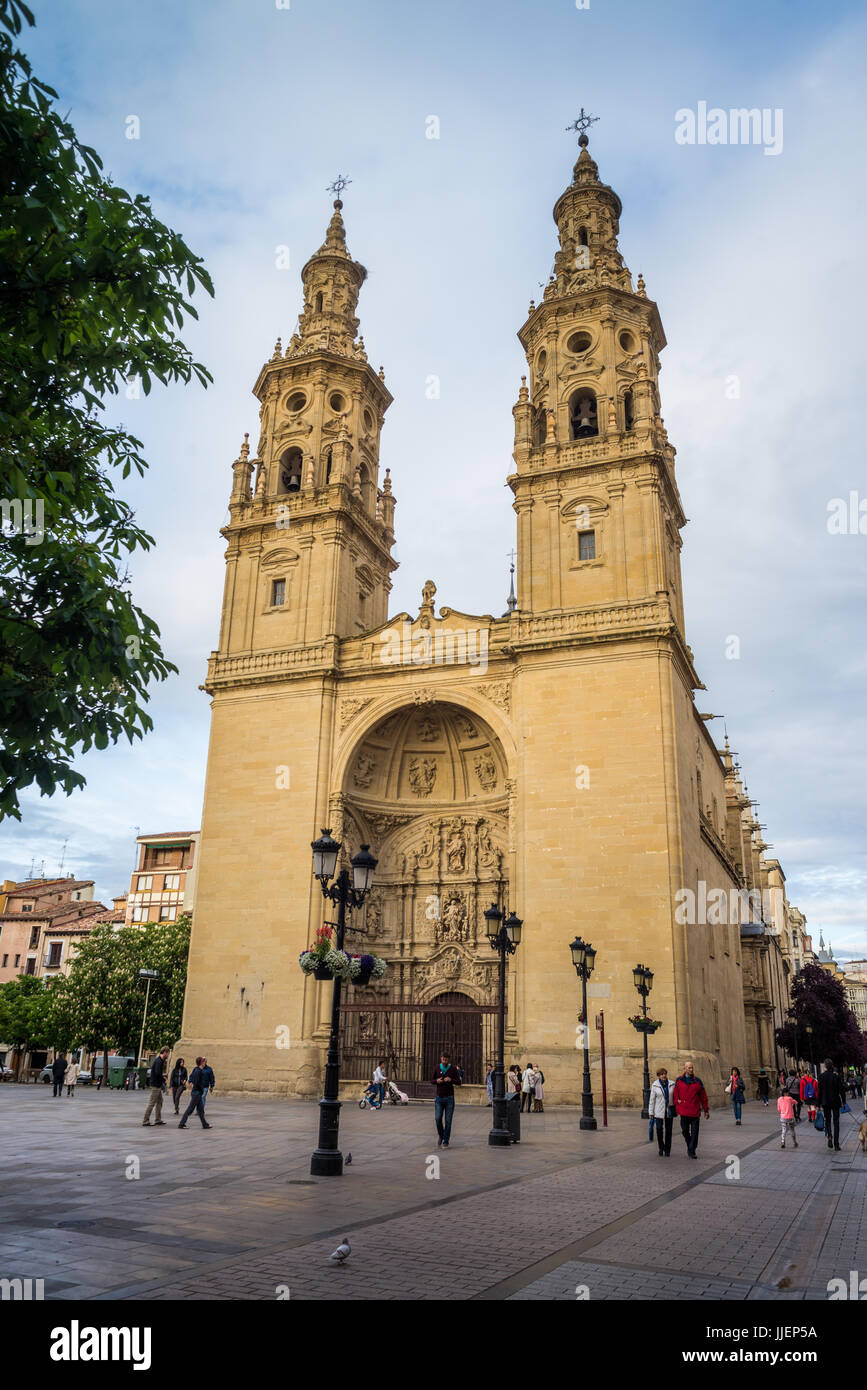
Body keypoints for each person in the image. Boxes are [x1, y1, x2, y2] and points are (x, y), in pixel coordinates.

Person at [673, 1060, 710, 1158]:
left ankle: (692, 1150)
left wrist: (706, 1110)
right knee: (685, 1131)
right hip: (684, 1111)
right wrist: (677, 1102)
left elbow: (703, 1096)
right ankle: (690, 1145)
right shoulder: (679, 1080)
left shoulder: (698, 1081)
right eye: (689, 1068)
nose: (691, 1069)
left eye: (692, 1067)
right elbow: (675, 1094)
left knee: (694, 1133)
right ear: (684, 1069)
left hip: (694, 1111)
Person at [432, 1052, 461, 1148]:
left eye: (446, 1058)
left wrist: (451, 1080)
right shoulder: (437, 1067)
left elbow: (459, 1082)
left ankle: (446, 1140)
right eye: (443, 1058)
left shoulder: (453, 1069)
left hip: (449, 1098)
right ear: (441, 1058)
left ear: (448, 1059)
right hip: (439, 1098)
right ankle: (441, 1135)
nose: (444, 1060)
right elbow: (432, 1080)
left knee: (448, 1121)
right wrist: (437, 1081)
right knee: (437, 1118)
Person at [817, 1058, 845, 1152]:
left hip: (825, 1102)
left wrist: (818, 1104)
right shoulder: (836, 1076)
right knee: (836, 1122)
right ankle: (836, 1144)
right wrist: (844, 1102)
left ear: (825, 1066)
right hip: (835, 1102)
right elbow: (841, 1090)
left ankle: (829, 1137)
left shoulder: (821, 1077)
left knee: (828, 1121)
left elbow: (819, 1091)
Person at [179, 1057, 214, 1130]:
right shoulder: (198, 1071)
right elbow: (197, 1083)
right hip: (196, 1093)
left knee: (201, 1111)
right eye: (204, 1062)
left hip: (197, 1093)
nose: (205, 1063)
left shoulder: (198, 1070)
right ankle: (182, 1124)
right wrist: (201, 1089)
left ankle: (205, 1124)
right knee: (190, 1109)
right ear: (201, 1063)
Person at [648, 1066, 674, 1156]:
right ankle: (661, 1147)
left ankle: (667, 1150)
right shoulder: (655, 1085)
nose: (664, 1075)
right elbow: (652, 1100)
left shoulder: (672, 1084)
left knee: (669, 1131)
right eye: (661, 1074)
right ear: (658, 1076)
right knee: (659, 1130)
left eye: (665, 1074)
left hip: (669, 1110)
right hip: (658, 1111)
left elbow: (676, 1096)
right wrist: (651, 1112)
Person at [142, 1046, 170, 1127]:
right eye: (167, 1053)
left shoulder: (160, 1060)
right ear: (165, 1052)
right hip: (155, 1085)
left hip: (157, 1084)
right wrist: (163, 1078)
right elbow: (158, 1073)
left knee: (160, 1101)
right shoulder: (159, 1061)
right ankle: (145, 1120)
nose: (168, 1055)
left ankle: (158, 1119)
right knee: (152, 1103)